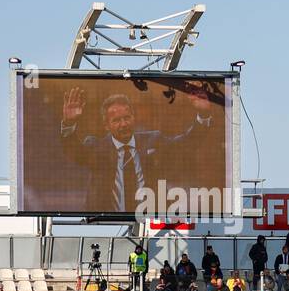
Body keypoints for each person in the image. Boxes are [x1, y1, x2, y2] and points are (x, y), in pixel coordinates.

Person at [56, 83, 216, 213]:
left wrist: (203, 115)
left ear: (134, 118)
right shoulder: (96, 147)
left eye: (127, 118)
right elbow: (74, 151)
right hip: (106, 226)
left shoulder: (154, 140)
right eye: (117, 120)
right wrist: (69, 123)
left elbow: (187, 144)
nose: (123, 124)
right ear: (106, 125)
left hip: (152, 225)